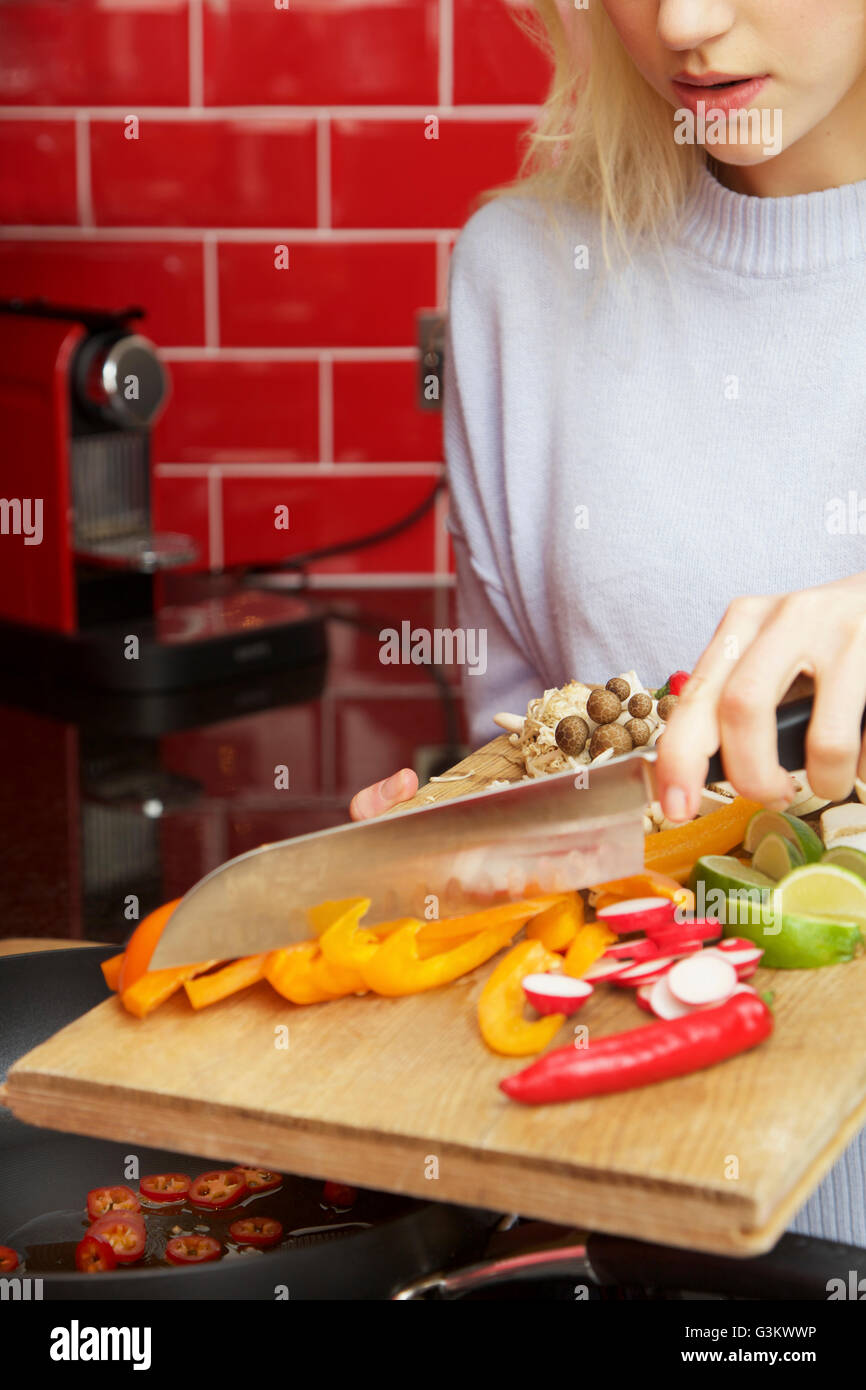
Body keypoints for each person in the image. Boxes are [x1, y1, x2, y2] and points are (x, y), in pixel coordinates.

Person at [351, 1, 866, 1246]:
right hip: (641, 1191)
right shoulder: (518, 275)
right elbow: (548, 763)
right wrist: (468, 858)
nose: (681, 22)